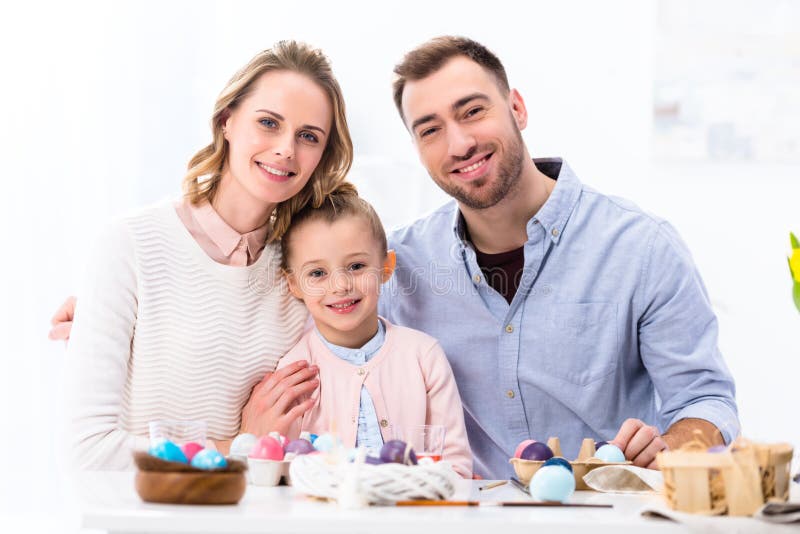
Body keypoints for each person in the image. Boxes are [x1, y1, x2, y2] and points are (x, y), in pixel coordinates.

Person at [380, 36, 739, 478]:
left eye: (472, 111)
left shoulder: (640, 248)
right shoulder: (396, 265)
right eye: (430, 130)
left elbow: (705, 401)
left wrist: (668, 448)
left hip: (605, 517)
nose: (459, 144)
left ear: (517, 109)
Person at [63, 40, 353, 469]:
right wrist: (241, 445)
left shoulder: (300, 276)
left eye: (308, 136)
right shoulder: (129, 245)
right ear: (226, 121)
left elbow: (323, 433)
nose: (286, 149)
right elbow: (88, 450)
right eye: (269, 123)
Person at [276, 186, 473, 477]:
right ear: (293, 284)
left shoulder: (423, 356)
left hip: (413, 511)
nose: (341, 285)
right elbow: (286, 468)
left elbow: (455, 464)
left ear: (386, 267)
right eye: (317, 273)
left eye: (356, 266)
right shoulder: (294, 372)